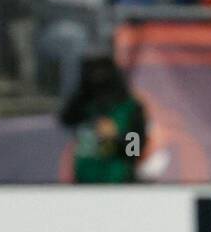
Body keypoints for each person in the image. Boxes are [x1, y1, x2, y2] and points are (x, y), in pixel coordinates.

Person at [59, 55, 148, 183]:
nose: (97, 78)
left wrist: (117, 137)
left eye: (102, 72)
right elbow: (65, 119)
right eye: (92, 72)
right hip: (84, 183)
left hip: (119, 183)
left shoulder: (130, 108)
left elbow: (134, 151)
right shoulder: (83, 105)